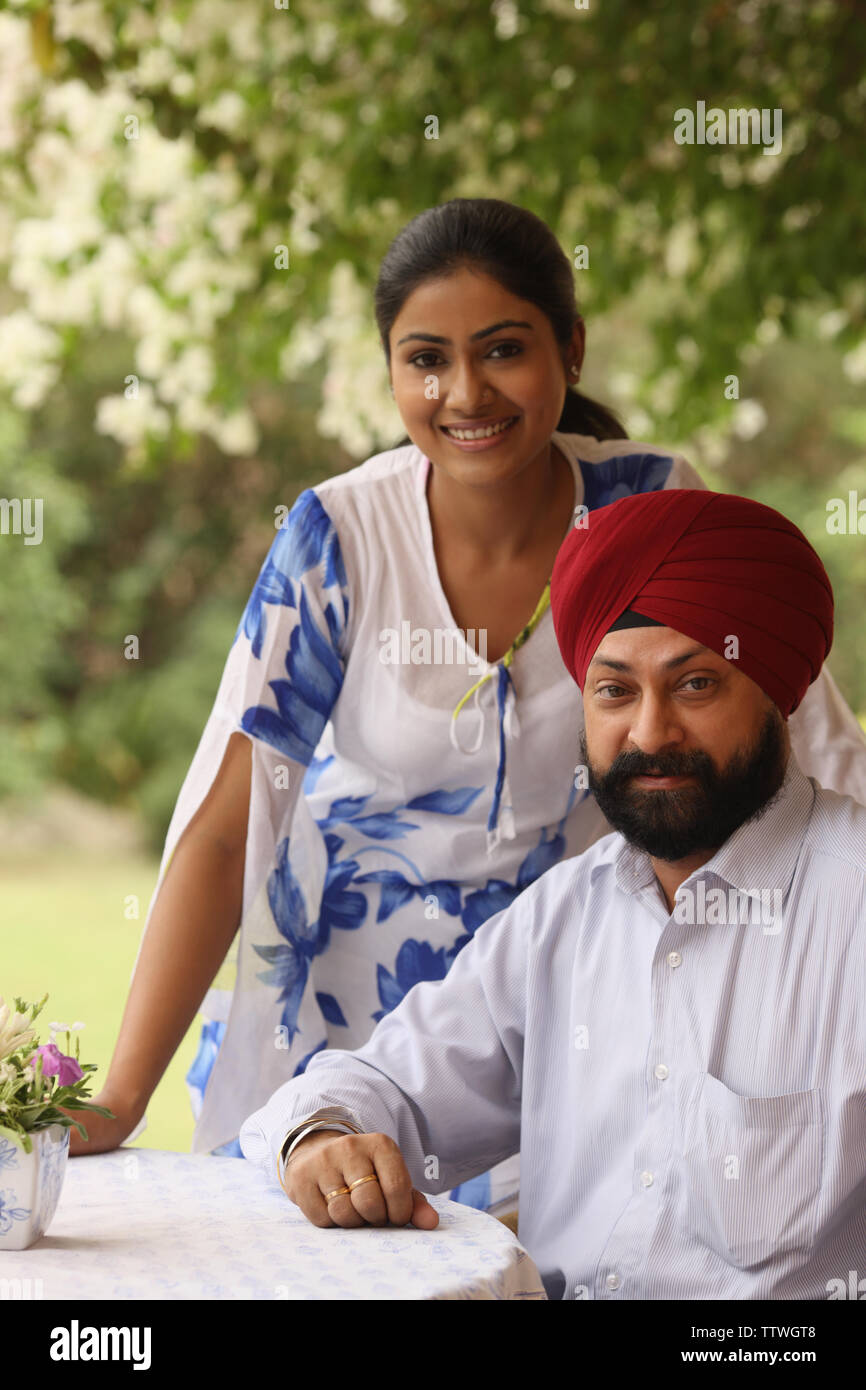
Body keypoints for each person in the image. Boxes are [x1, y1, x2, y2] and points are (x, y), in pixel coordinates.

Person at [71, 199, 866, 1223]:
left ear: (568, 350)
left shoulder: (640, 507)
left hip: (577, 1007)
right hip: (347, 1029)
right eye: (424, 359)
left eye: (502, 350)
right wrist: (121, 1096)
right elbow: (229, 826)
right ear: (391, 371)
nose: (463, 392)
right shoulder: (339, 537)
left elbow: (800, 730)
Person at [239, 489, 866, 1300]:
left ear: (780, 694)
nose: (648, 733)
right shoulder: (566, 915)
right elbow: (389, 1086)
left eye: (697, 686)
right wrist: (324, 1137)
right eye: (614, 691)